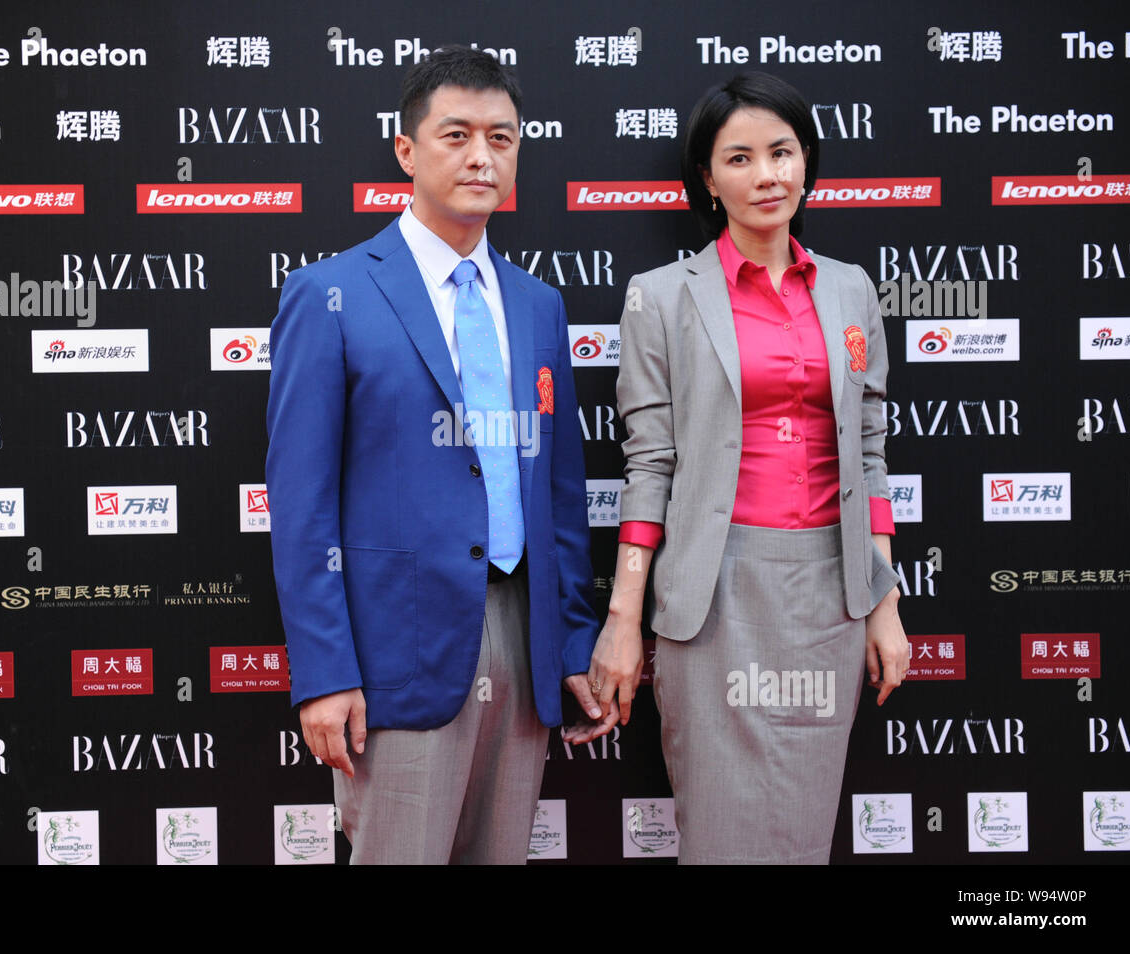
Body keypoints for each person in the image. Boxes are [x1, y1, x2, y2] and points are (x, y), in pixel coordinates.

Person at [264, 45, 603, 865]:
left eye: (503, 136)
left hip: (522, 641)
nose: (482, 156)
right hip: (396, 649)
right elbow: (301, 506)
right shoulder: (331, 293)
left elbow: (558, 493)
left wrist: (571, 642)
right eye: (456, 135)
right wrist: (322, 672)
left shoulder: (536, 304)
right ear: (407, 152)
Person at [580, 71, 908, 863]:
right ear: (708, 178)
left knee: (800, 833)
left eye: (783, 153)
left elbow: (869, 453)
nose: (767, 175)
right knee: (722, 832)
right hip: (713, 594)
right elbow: (649, 465)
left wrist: (884, 601)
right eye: (741, 158)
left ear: (807, 162)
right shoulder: (661, 297)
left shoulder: (851, 290)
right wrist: (625, 620)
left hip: (830, 591)